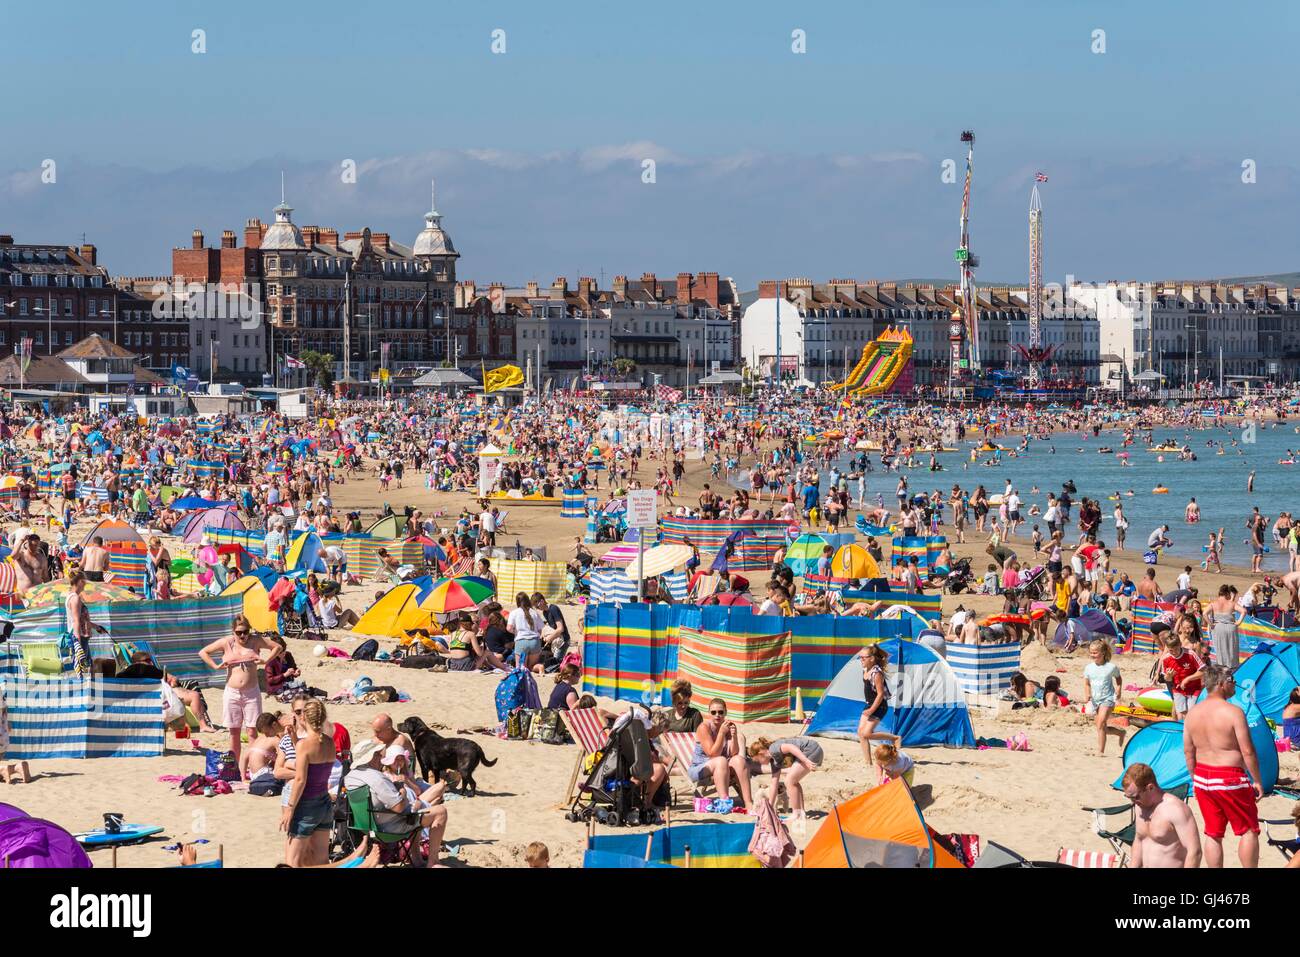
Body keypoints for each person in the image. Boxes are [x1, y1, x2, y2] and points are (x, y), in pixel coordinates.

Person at [1183, 664, 1263, 868]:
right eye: (1231, 680)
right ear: (1219, 684)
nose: (1234, 683)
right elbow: (1248, 751)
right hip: (1229, 777)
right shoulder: (1233, 712)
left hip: (1202, 778)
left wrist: (1195, 777)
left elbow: (1188, 751)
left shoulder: (1192, 713)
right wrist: (1258, 781)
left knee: (1213, 832)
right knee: (1248, 829)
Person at [344, 738, 448, 867]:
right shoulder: (376, 777)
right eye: (377, 754)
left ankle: (416, 859)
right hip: (388, 827)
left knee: (418, 812)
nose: (380, 758)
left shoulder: (351, 777)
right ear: (370, 757)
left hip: (366, 826)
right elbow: (398, 807)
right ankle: (433, 862)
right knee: (440, 811)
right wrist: (401, 790)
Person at [199, 615, 281, 767]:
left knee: (252, 731)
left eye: (245, 631)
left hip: (251, 692)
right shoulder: (226, 642)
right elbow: (203, 652)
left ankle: (253, 765)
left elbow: (277, 647)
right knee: (234, 732)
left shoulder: (256, 640)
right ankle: (235, 765)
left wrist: (266, 660)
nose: (243, 635)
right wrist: (216, 666)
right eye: (239, 632)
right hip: (232, 693)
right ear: (233, 631)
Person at [280, 699, 336, 867]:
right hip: (324, 805)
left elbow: (300, 779)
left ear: (303, 718)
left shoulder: (305, 745)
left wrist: (289, 808)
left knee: (292, 862)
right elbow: (314, 758)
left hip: (305, 806)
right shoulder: (329, 742)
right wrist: (295, 738)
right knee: (321, 861)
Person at [1122, 762, 1202, 868]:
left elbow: (1194, 852)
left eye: (1136, 797)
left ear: (1150, 788)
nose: (1133, 802)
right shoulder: (1140, 806)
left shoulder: (1176, 809)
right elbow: (1139, 840)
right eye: (1129, 797)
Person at [687, 698, 753, 807]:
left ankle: (748, 802)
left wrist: (734, 737)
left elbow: (733, 753)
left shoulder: (728, 725)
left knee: (739, 760)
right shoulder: (704, 727)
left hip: (721, 767)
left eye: (720, 712)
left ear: (725, 713)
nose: (717, 715)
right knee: (721, 760)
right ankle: (724, 802)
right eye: (713, 712)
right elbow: (712, 754)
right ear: (709, 713)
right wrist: (721, 734)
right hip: (700, 769)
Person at [746, 735, 822, 820]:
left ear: (760, 754)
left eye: (757, 761)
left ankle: (796, 813)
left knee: (789, 781)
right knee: (793, 781)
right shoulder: (774, 761)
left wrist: (805, 760)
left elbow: (790, 747)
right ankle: (801, 812)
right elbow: (774, 785)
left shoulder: (773, 749)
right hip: (812, 750)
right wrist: (770, 807)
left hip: (810, 750)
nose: (759, 764)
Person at [856, 644, 901, 762]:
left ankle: (895, 738)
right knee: (861, 733)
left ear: (872, 658)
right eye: (860, 657)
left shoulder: (877, 673)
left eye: (863, 657)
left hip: (879, 706)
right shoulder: (865, 669)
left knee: (867, 733)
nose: (861, 659)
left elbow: (880, 695)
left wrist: (871, 710)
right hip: (869, 703)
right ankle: (868, 762)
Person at [1083, 639, 1124, 755]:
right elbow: (1086, 683)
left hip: (1108, 698)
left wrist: (1119, 690)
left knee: (1100, 723)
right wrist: (1087, 695)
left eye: (1095, 652)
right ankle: (1120, 733)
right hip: (1095, 700)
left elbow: (1119, 679)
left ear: (1103, 653)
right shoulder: (1088, 668)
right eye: (1091, 652)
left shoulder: (1111, 667)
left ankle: (1100, 752)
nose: (1092, 655)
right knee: (1101, 727)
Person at [1159, 632, 1205, 719]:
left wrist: (1187, 679)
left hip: (1194, 689)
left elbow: (1203, 671)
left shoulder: (1190, 654)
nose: (1173, 653)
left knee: (1191, 714)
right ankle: (1182, 731)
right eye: (1170, 650)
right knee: (1181, 715)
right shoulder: (1166, 659)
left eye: (1176, 649)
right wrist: (1169, 676)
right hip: (1178, 690)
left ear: (1180, 644)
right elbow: (1167, 679)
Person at [506, 591, 545, 669]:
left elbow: (509, 628)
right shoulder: (534, 612)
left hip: (521, 641)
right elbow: (540, 630)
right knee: (531, 667)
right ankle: (540, 667)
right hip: (534, 641)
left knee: (520, 667)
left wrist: (516, 632)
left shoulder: (514, 613)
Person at [1207, 584, 1240, 668]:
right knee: (1232, 648)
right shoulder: (1231, 603)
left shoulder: (1214, 603)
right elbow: (1244, 611)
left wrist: (1211, 624)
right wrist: (1238, 622)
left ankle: (1221, 666)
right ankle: (1232, 667)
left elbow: (1204, 613)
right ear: (1227, 593)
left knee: (1220, 648)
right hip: (1230, 627)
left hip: (1218, 627)